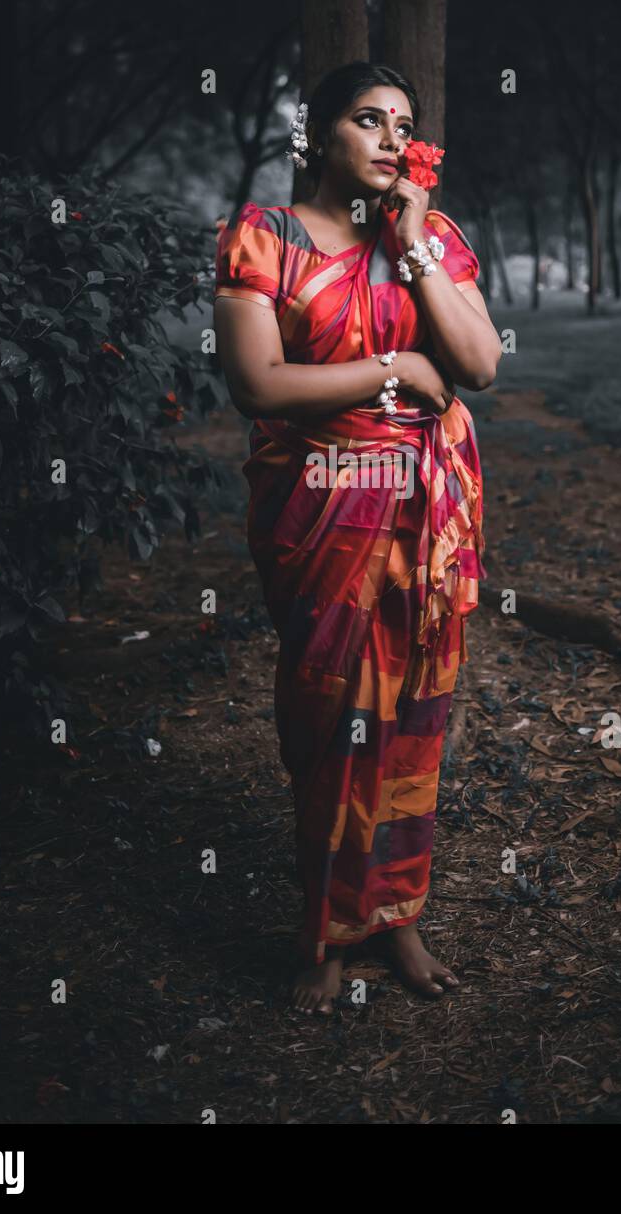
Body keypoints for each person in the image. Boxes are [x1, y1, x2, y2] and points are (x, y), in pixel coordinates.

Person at [213, 62, 502, 1015]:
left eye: (402, 125)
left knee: (414, 716)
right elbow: (257, 384)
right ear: (319, 134)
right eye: (367, 119)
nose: (389, 139)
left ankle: (398, 916)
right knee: (331, 715)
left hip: (424, 511)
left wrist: (412, 245)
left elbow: (480, 364)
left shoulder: (433, 237)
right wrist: (397, 369)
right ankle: (327, 931)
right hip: (323, 505)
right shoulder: (268, 236)